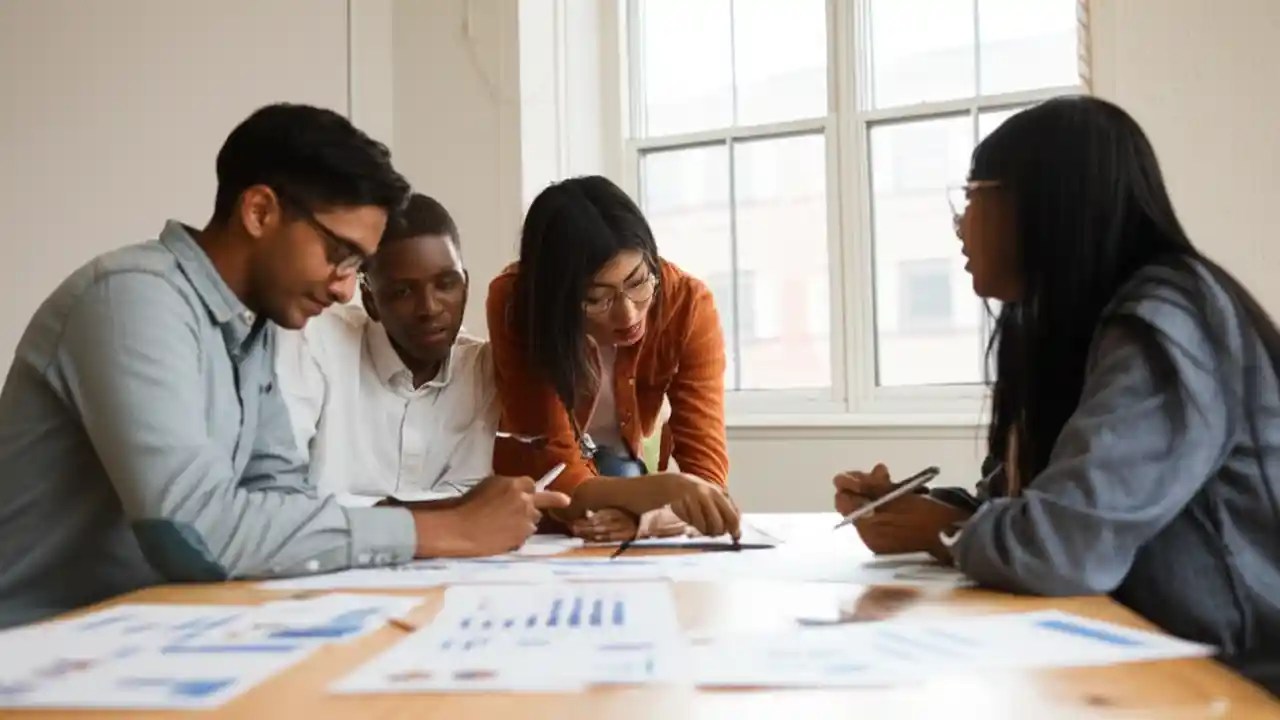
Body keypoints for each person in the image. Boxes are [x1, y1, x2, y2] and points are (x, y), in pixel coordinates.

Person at [0, 104, 567, 628]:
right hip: (44, 643)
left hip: (162, 626)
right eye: (340, 256)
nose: (348, 291)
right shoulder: (132, 299)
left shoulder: (253, 328)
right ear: (260, 211)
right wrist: (444, 530)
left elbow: (286, 503)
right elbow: (192, 531)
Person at [832, 96, 1280, 693]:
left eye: (971, 196)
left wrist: (938, 532)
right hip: (1147, 655)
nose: (960, 224)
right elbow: (1040, 501)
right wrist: (926, 510)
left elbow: (1063, 550)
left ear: (1044, 203)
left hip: (1233, 678)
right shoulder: (1066, 322)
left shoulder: (1167, 326)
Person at [487, 175, 740, 541]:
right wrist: (665, 492)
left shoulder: (687, 303)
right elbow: (556, 474)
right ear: (555, 295)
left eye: (638, 282)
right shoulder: (516, 304)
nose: (629, 315)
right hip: (532, 503)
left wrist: (646, 519)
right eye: (596, 298)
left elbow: (706, 481)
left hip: (626, 484)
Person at [276, 193, 496, 505]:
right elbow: (286, 496)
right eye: (403, 291)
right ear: (370, 301)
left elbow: (468, 494)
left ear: (466, 285)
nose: (430, 308)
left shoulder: (480, 368)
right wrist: (415, 515)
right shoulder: (316, 344)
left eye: (446, 284)